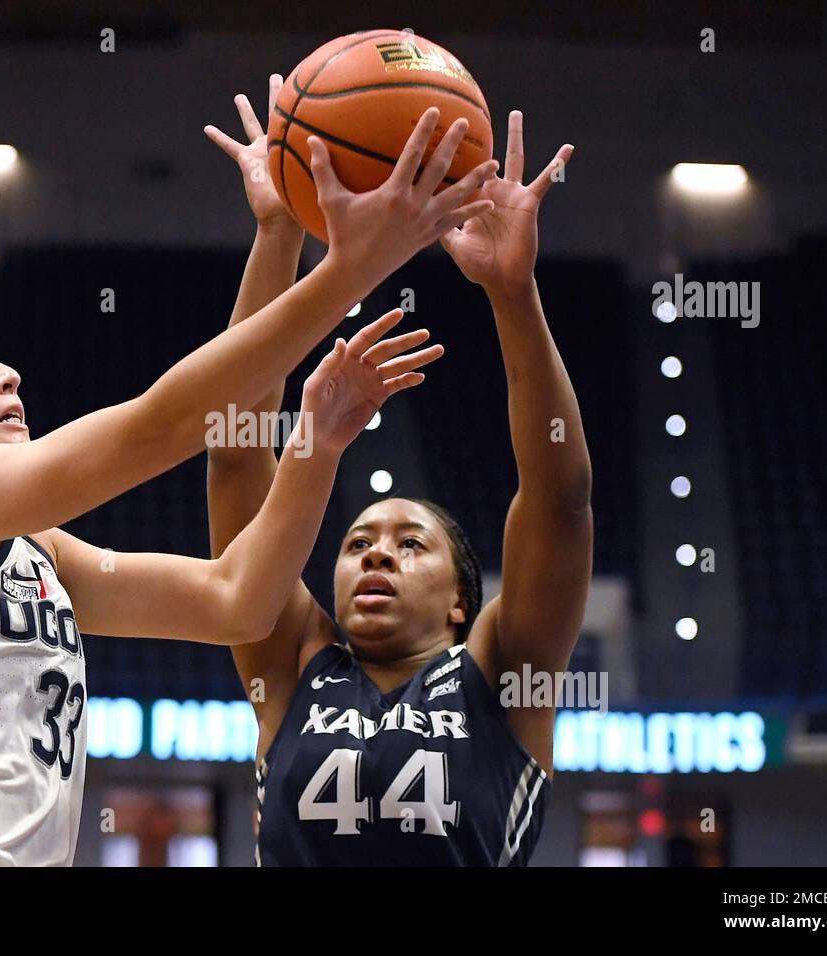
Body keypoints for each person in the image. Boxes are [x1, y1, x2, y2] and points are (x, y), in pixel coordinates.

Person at [0, 103, 486, 867]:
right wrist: (351, 269)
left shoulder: (35, 552)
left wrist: (281, 245)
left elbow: (239, 599)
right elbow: (160, 426)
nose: (5, 373)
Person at [206, 80, 591, 866]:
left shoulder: (504, 674)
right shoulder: (289, 662)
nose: (376, 554)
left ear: (461, 601)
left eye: (410, 544)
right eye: (356, 545)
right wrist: (281, 229)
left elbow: (560, 501)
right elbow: (237, 446)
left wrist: (513, 294)